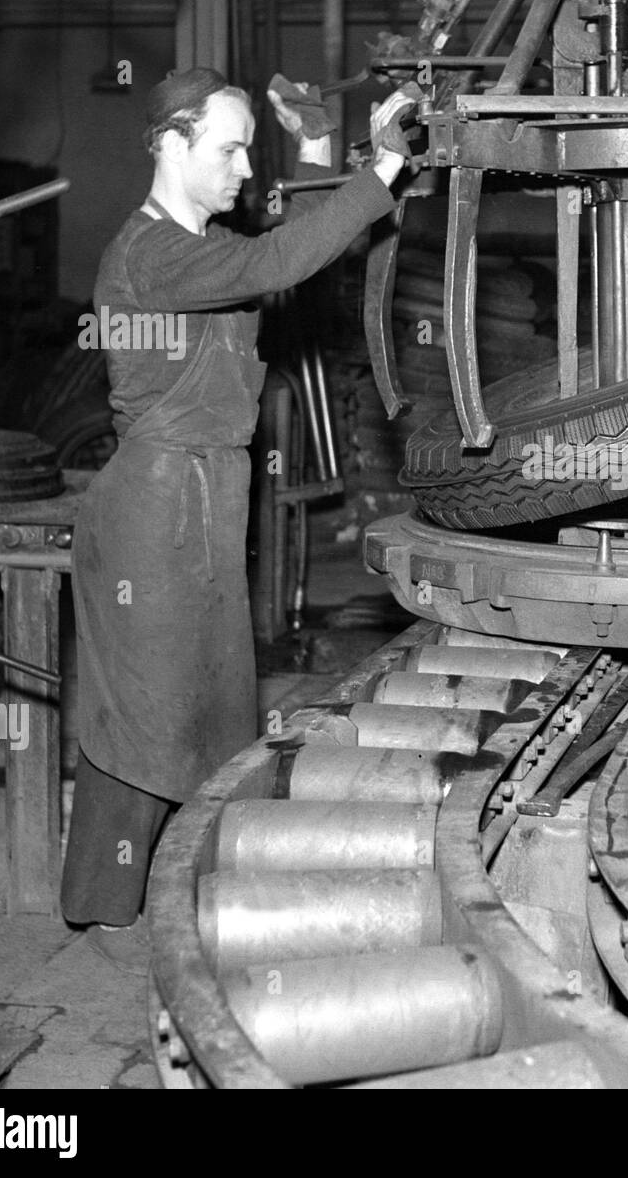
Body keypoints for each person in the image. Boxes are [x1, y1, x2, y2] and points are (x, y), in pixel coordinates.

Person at [60, 66, 414, 971]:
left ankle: (154, 899)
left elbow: (281, 246)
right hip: (153, 506)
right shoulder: (150, 256)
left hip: (207, 498)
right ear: (172, 143)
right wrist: (377, 175)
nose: (244, 167)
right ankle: (115, 917)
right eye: (228, 147)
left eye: (251, 147)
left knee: (202, 705)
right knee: (154, 715)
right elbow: (274, 260)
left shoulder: (203, 245)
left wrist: (320, 149)